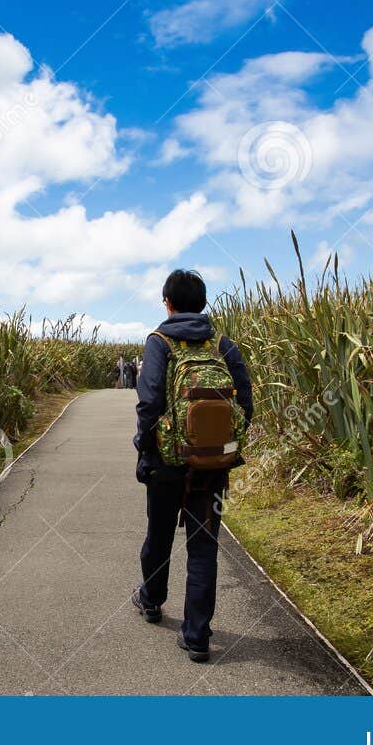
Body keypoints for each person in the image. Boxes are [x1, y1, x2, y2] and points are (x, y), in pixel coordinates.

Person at [129, 269, 252, 661]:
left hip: (166, 464)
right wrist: (222, 446)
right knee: (203, 547)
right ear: (202, 303)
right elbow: (245, 405)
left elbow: (148, 404)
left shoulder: (159, 342)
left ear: (168, 302)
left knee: (159, 534)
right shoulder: (222, 345)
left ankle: (151, 599)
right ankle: (196, 635)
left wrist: (145, 448)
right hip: (212, 466)